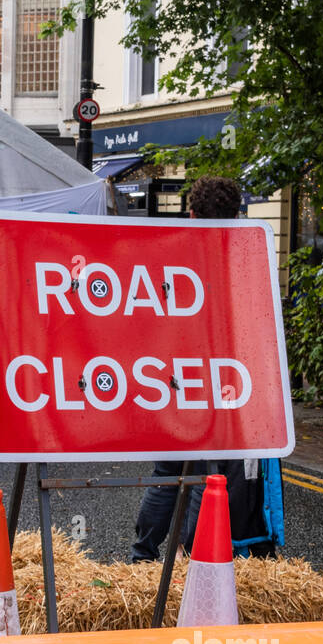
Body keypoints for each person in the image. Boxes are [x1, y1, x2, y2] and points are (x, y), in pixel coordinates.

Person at [131, 176, 238, 562]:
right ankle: (190, 556)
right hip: (219, 377)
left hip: (171, 374)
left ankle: (143, 554)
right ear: (235, 215)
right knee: (205, 475)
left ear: (192, 213)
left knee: (167, 471)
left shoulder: (170, 253)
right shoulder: (242, 255)